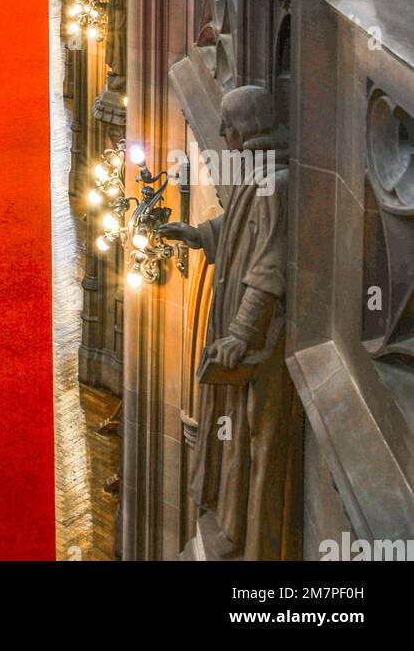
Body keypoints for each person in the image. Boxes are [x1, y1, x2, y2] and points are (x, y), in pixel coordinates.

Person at [160, 85, 302, 560]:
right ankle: (229, 526)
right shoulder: (259, 173)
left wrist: (241, 334)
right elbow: (238, 224)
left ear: (247, 125)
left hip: (259, 347)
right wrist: (199, 234)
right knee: (234, 432)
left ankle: (249, 541)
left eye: (228, 123)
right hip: (241, 340)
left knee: (252, 439)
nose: (221, 132)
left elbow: (269, 268)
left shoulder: (276, 181)